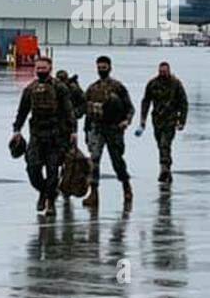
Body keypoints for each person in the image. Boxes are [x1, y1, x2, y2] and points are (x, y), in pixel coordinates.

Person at [12, 55, 75, 215]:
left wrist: (73, 131)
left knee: (53, 170)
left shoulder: (59, 88)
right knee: (33, 169)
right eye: (38, 68)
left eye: (43, 68)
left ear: (50, 68)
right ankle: (44, 191)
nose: (40, 71)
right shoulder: (30, 89)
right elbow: (22, 112)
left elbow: (68, 111)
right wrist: (17, 130)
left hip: (55, 135)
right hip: (36, 135)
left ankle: (50, 203)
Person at [83, 55, 135, 208]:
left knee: (117, 161)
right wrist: (86, 132)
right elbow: (87, 110)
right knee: (94, 161)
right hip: (97, 128)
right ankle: (93, 193)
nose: (101, 70)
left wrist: (126, 121)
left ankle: (126, 185)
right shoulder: (92, 89)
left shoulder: (118, 87)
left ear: (110, 68)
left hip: (114, 129)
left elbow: (130, 108)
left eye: (104, 67)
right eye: (99, 67)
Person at [139, 61, 188, 183]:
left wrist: (182, 121)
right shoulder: (153, 84)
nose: (162, 73)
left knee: (165, 144)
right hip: (157, 120)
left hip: (170, 120)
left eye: (165, 72)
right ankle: (167, 170)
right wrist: (142, 120)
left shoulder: (176, 84)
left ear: (169, 71)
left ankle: (164, 169)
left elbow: (184, 103)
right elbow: (146, 102)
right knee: (160, 145)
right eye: (161, 71)